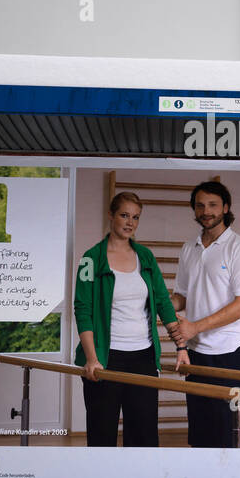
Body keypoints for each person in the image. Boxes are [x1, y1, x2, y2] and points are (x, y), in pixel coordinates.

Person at [73, 191, 179, 446]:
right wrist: (91, 359)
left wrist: (181, 345)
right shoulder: (91, 258)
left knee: (143, 437)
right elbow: (83, 310)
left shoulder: (146, 256)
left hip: (143, 358)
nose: (130, 222)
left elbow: (164, 302)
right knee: (102, 435)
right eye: (124, 215)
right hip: (106, 358)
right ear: (111, 215)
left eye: (135, 217)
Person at [170, 179, 240, 448]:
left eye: (212, 205)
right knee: (199, 425)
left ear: (226, 208)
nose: (206, 211)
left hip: (230, 350)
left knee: (226, 427)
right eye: (200, 206)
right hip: (196, 351)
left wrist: (195, 327)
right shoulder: (190, 248)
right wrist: (152, 303)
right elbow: (181, 298)